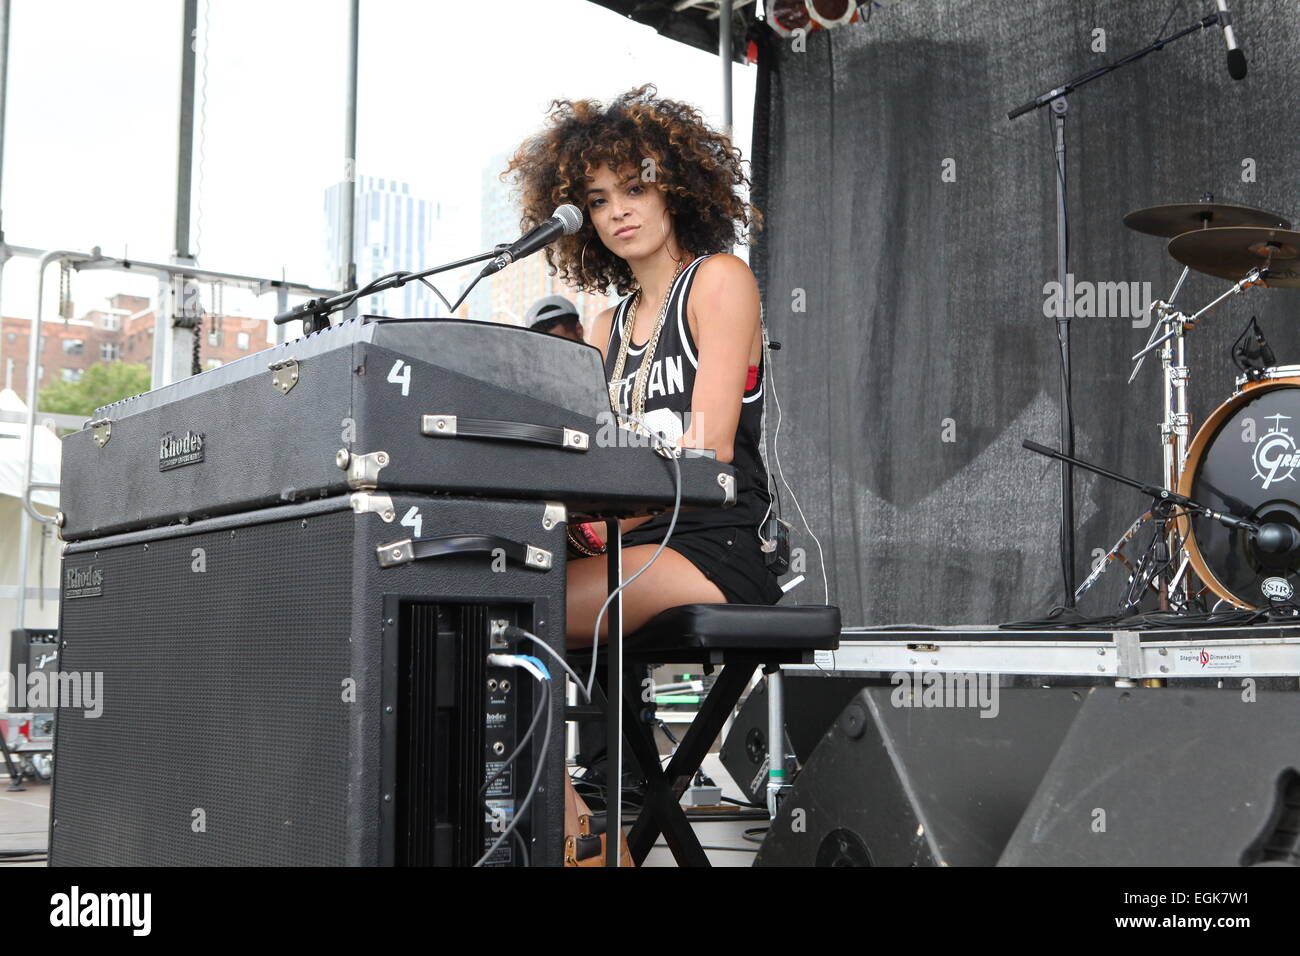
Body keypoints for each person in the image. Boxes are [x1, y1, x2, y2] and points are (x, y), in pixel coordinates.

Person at [505, 85, 782, 651]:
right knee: (477, 577)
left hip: (715, 541)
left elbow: (708, 454)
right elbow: (599, 464)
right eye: (599, 200)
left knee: (519, 604)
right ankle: (609, 745)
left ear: (674, 191)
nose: (619, 211)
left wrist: (588, 529)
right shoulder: (607, 326)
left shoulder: (719, 281)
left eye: (635, 187)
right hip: (633, 538)